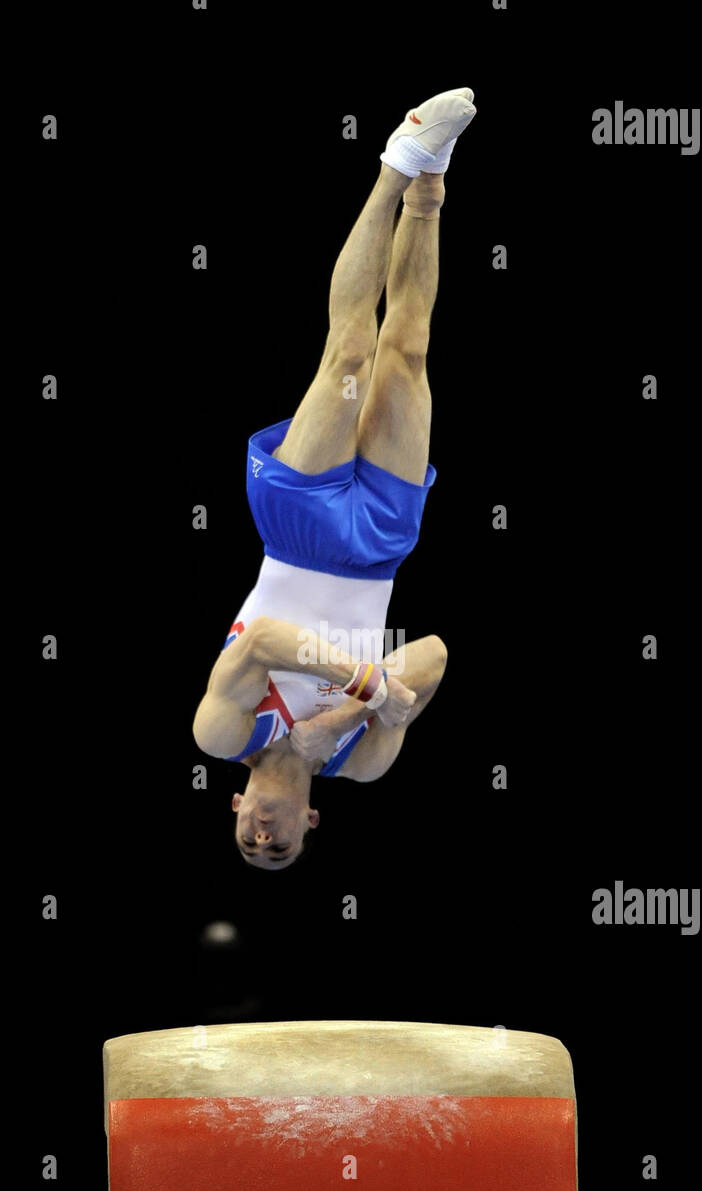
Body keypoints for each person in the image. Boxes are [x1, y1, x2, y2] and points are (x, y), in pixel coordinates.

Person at [193, 88, 477, 869]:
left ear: (237, 802)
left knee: (348, 352)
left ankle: (392, 165)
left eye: (247, 838)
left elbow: (272, 642)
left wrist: (355, 692)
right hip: (383, 543)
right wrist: (380, 701)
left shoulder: (223, 735)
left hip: (297, 527)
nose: (262, 838)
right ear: (310, 824)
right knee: (408, 348)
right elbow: (435, 653)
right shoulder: (365, 761)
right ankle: (429, 188)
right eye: (277, 851)